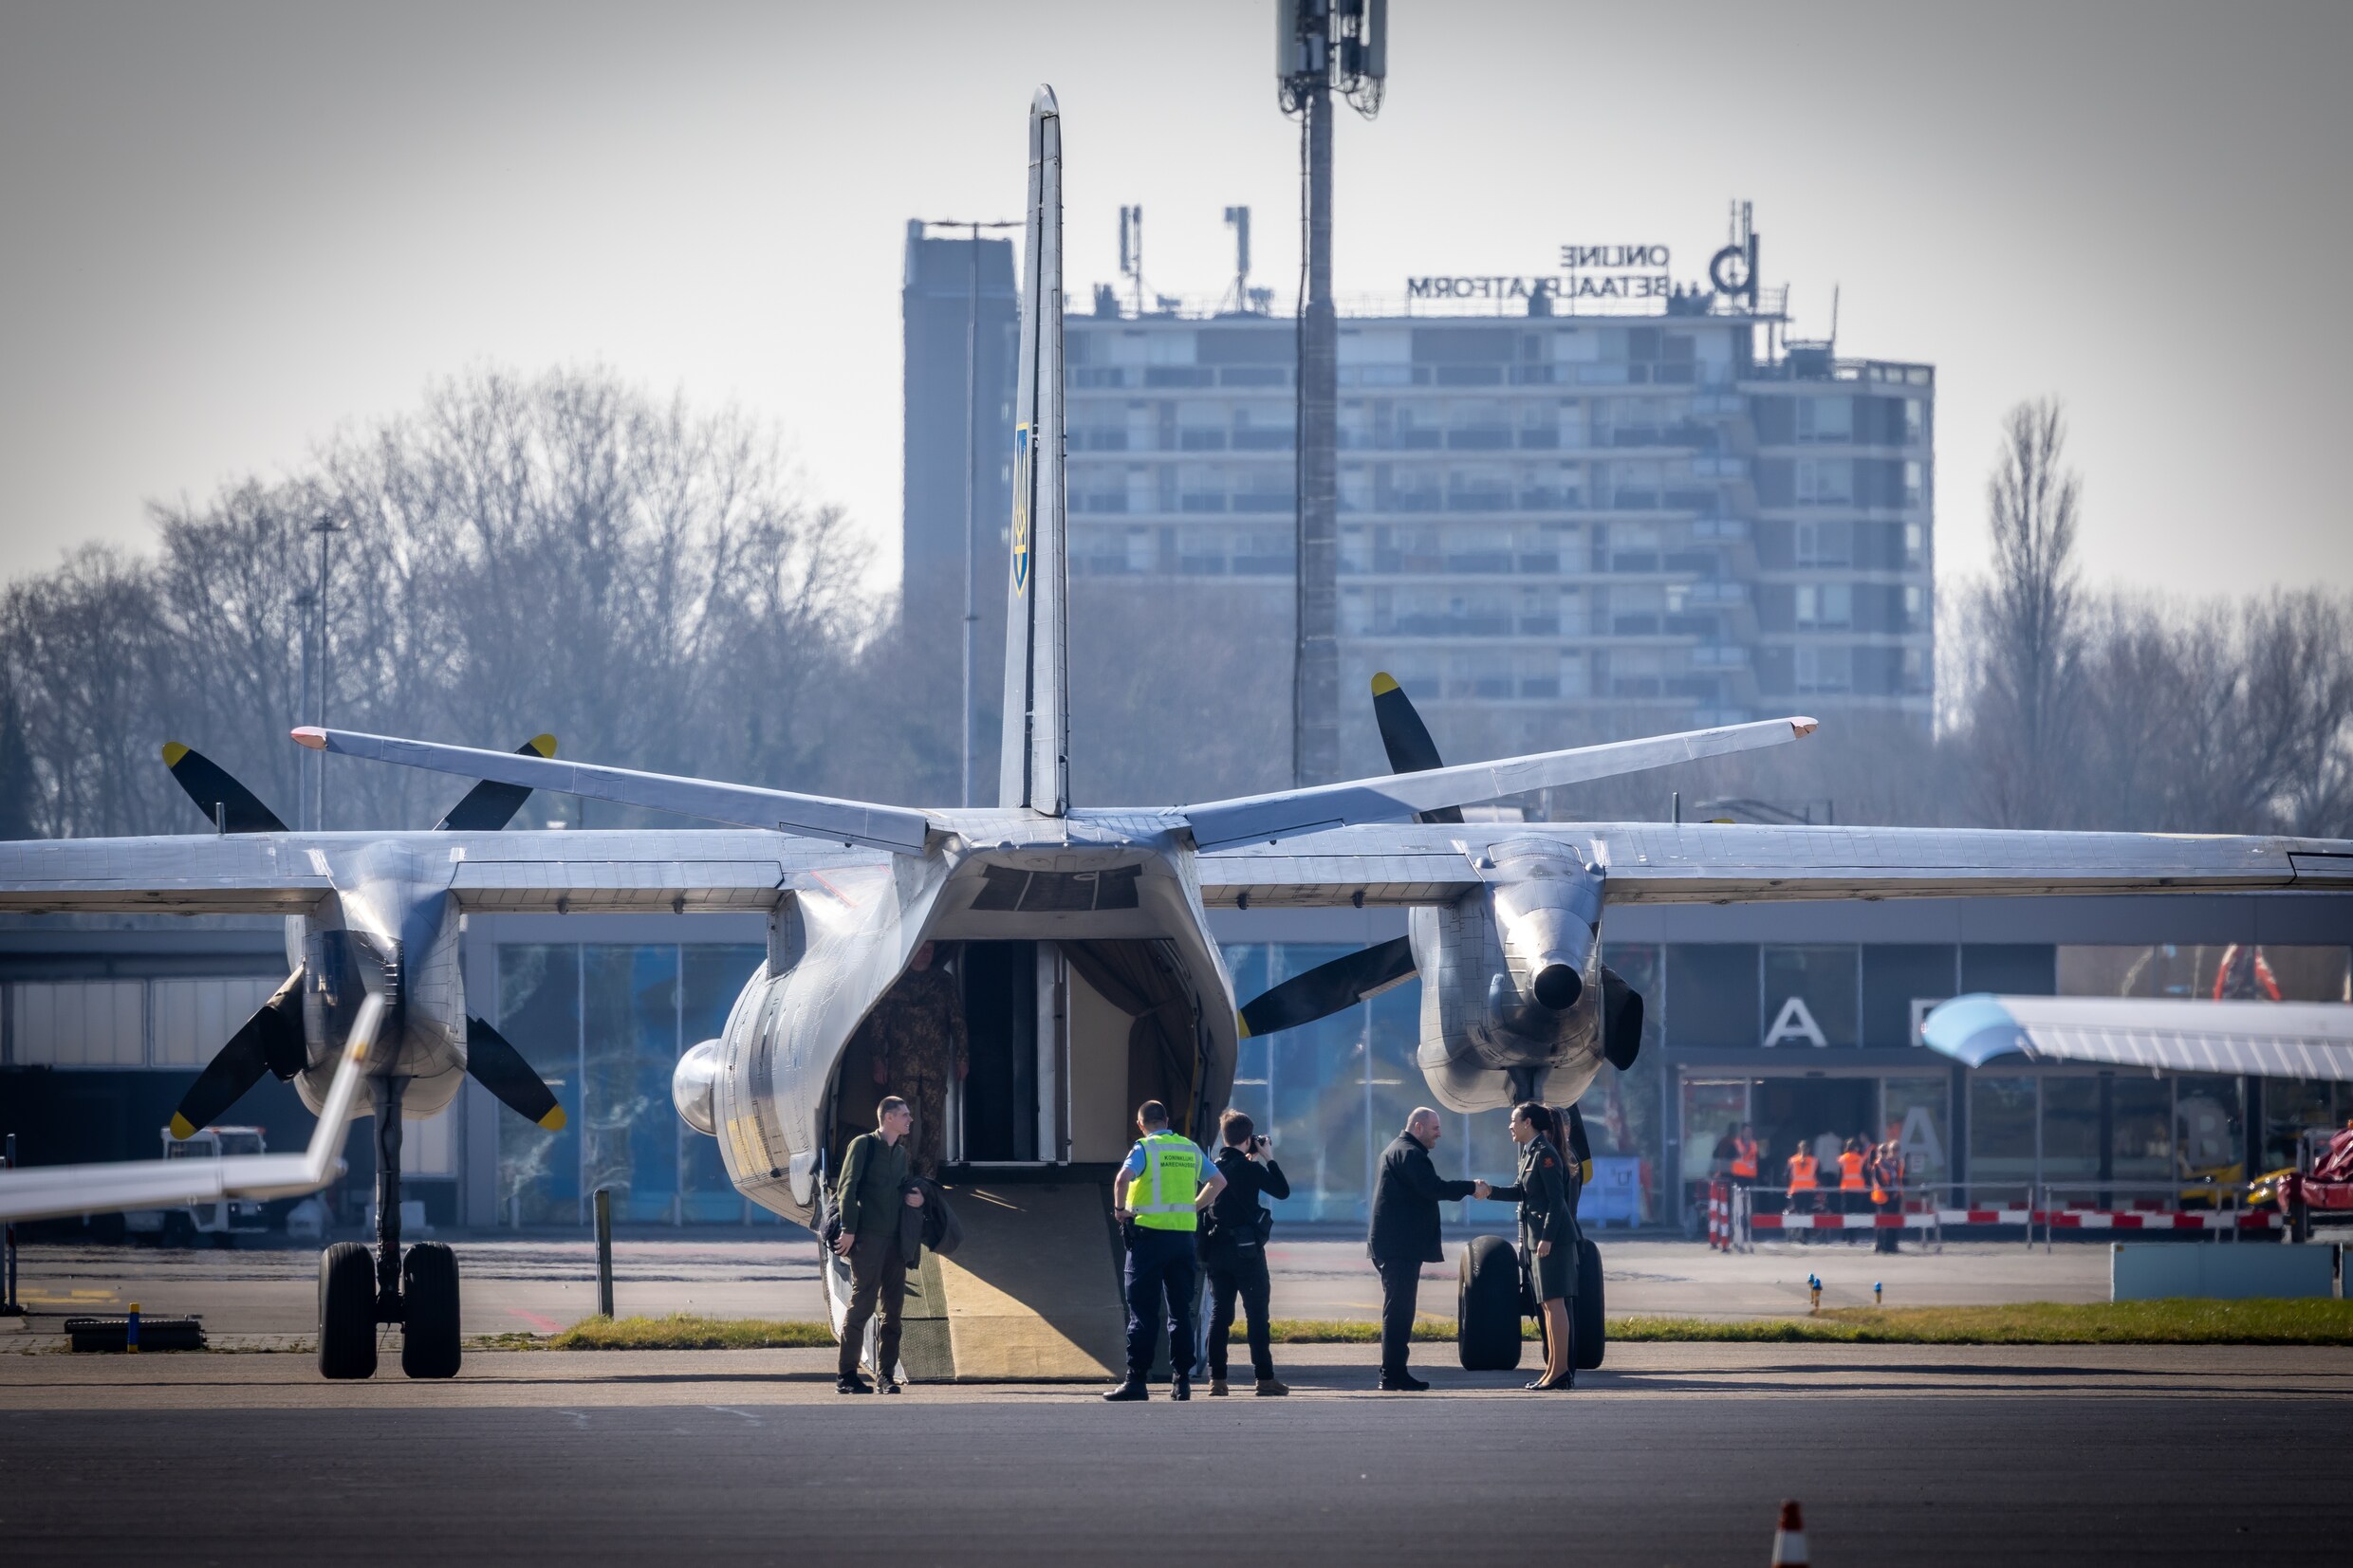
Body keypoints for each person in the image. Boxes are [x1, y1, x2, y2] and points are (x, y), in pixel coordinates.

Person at [1103, 1099, 1224, 1403]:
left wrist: (1119, 1210)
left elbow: (1122, 1179)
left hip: (1148, 1240)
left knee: (1142, 1313)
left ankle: (1136, 1381)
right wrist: (1193, 1207)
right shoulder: (1189, 1148)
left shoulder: (1143, 1149)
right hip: (1183, 1239)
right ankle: (1181, 1381)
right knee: (1180, 1311)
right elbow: (1218, 1181)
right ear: (1167, 1120)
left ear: (1140, 1124)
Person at [1366, 1107, 1486, 1392]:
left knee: (1399, 1310)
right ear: (1418, 1127)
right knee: (1399, 1312)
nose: (1439, 1134)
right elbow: (1434, 1188)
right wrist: (1471, 1187)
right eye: (1435, 1128)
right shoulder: (1410, 1154)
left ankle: (1394, 1371)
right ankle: (1392, 1373)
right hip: (1400, 1247)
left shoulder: (1397, 1150)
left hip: (1395, 1245)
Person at [845, 942, 967, 1177]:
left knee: (933, 1122)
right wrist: (878, 1060)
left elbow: (957, 1021)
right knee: (900, 1122)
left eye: (931, 949)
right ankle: (903, 1174)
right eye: (922, 948)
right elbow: (878, 1025)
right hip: (903, 1065)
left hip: (934, 1064)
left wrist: (963, 1056)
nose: (927, 953)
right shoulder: (895, 981)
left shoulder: (943, 981)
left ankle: (928, 1176)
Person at [831, 1096, 926, 1394]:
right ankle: (846, 1375)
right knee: (862, 1305)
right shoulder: (863, 1145)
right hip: (868, 1237)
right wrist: (848, 1229)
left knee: (893, 1310)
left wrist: (917, 1198)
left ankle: (885, 1376)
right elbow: (847, 1187)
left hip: (895, 1240)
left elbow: (901, 1187)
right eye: (904, 1115)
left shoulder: (901, 1153)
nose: (910, 1120)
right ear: (888, 1118)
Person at [1486, 1102, 1583, 1391]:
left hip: (1551, 1241)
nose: (1510, 1126)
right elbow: (1521, 1192)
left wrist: (1548, 1238)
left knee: (1555, 1305)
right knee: (1547, 1306)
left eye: (1513, 1120)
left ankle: (1561, 1371)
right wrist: (1489, 1191)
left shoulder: (1545, 1155)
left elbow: (1557, 1201)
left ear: (1528, 1122)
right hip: (1538, 1239)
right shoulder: (1530, 1153)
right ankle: (1553, 1369)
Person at [1202, 1110, 1290, 1397]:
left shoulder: (1213, 1167)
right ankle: (1264, 1379)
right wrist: (1269, 1157)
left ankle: (1217, 1379)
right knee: (1256, 1315)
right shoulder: (1251, 1169)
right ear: (1249, 1139)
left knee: (1219, 1314)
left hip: (1217, 1250)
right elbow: (1282, 1191)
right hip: (1247, 1253)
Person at [1785, 1140, 1820, 1242]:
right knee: (1807, 1213)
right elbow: (1818, 1176)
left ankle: (1799, 1234)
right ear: (1808, 1149)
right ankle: (1805, 1235)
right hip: (1809, 1190)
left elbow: (1786, 1175)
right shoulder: (1814, 1161)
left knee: (1799, 1212)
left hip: (1797, 1190)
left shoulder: (1792, 1160)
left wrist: (1788, 1186)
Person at [1837, 1134, 1869, 1225]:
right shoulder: (1860, 1159)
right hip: (1858, 1189)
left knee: (1846, 1212)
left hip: (1846, 1189)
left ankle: (1845, 1234)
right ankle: (1853, 1235)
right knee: (1855, 1213)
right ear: (1856, 1147)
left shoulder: (1842, 1159)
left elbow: (1839, 1175)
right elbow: (1865, 1174)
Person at [1729, 1122, 1761, 1191]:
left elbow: (1758, 1160)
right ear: (1742, 1132)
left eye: (1750, 1132)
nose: (1748, 1134)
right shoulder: (1735, 1144)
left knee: (1748, 1200)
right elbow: (1729, 1158)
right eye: (1747, 1131)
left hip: (1750, 1179)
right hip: (1738, 1178)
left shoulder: (1754, 1145)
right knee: (1738, 1200)